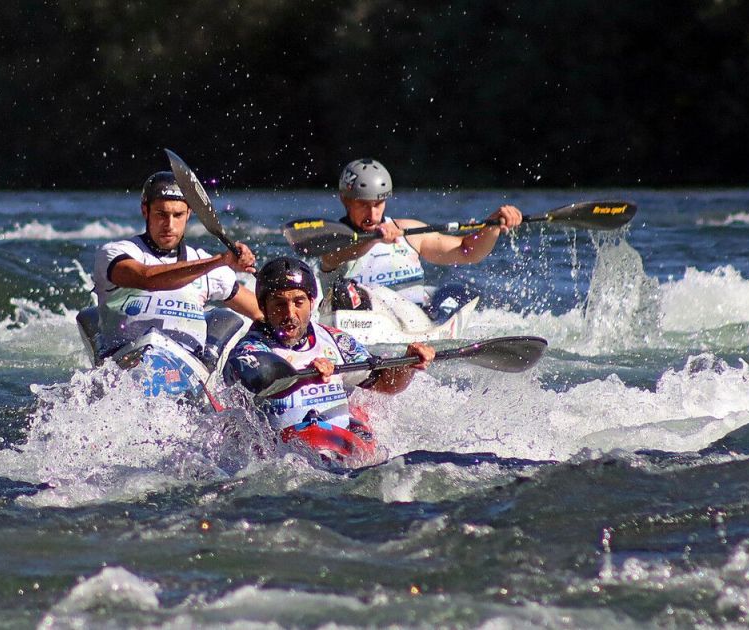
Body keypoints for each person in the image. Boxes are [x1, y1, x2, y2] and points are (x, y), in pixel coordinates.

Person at [225, 257, 435, 454]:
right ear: (263, 307)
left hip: (337, 443)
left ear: (312, 302)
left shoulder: (336, 341)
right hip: (281, 449)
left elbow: (385, 384)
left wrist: (409, 364)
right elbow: (260, 375)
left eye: (299, 303)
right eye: (279, 304)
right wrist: (305, 377)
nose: (290, 314)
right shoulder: (250, 349)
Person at [317, 158, 523, 322]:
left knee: (454, 292)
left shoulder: (408, 231)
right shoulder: (331, 239)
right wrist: (374, 239)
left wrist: (492, 225)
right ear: (345, 199)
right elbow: (332, 258)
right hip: (361, 322)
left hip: (413, 321)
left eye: (378, 204)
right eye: (363, 204)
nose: (372, 213)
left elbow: (467, 250)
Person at [90, 171, 262, 363]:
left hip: (186, 366)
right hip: (125, 360)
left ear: (189, 214)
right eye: (161, 214)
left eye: (178, 215)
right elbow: (147, 278)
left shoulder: (210, 270)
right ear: (145, 211)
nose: (169, 225)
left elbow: (261, 313)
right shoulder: (114, 253)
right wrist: (220, 261)